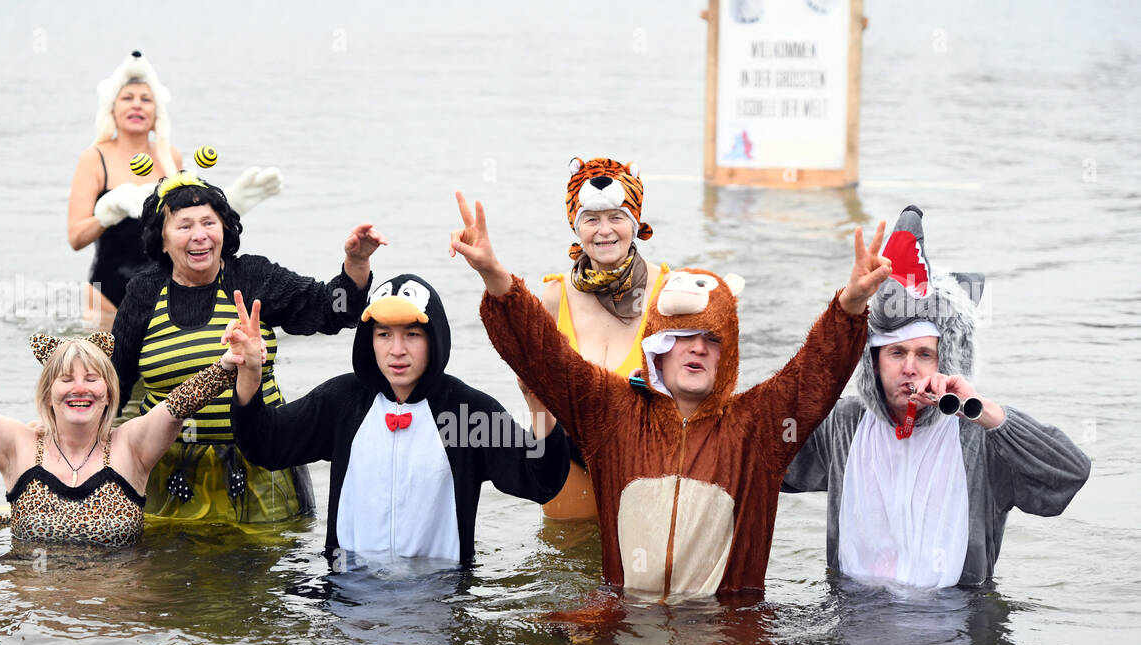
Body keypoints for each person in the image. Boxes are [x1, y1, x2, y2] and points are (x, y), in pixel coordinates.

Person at [450, 192, 892, 598]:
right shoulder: (612, 415)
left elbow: (815, 374)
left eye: (711, 339)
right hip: (627, 631)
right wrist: (493, 274)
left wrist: (851, 304)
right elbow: (543, 357)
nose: (697, 347)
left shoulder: (756, 429)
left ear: (728, 354)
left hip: (721, 634)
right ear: (657, 346)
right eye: (682, 337)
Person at [782, 205, 1091, 588]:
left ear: (947, 359)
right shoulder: (845, 425)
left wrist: (990, 415)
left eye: (925, 354)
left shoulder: (979, 433)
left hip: (956, 628)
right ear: (874, 362)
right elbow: (761, 454)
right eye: (896, 353)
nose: (910, 368)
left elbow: (1069, 476)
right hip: (859, 622)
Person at [228, 273, 570, 567]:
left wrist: (538, 402)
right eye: (384, 335)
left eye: (412, 334)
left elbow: (541, 482)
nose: (397, 350)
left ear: (435, 339)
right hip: (349, 591)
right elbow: (265, 445)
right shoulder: (342, 401)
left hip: (439, 594)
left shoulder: (466, 412)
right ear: (368, 342)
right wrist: (250, 374)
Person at [0, 291, 248, 547]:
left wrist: (230, 363)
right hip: (36, 630)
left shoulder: (131, 445)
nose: (79, 389)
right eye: (66, 379)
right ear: (48, 393)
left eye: (91, 379)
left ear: (110, 393)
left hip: (115, 630)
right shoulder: (18, 446)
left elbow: (180, 402)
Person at [111, 171, 385, 526]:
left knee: (262, 575)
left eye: (209, 222)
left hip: (260, 467)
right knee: (168, 575)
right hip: (165, 470)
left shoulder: (252, 276)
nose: (199, 235)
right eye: (184, 226)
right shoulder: (144, 291)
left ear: (224, 230)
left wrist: (357, 265)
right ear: (161, 239)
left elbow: (328, 310)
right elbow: (112, 381)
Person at [68, 51, 284, 330]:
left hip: (162, 290)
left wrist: (229, 204)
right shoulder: (93, 158)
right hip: (105, 293)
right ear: (111, 108)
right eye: (127, 98)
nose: (137, 105)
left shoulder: (170, 157)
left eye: (146, 99)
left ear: (158, 111)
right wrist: (108, 213)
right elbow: (75, 238)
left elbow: (188, 221)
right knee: (105, 372)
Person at [529, 157, 673, 520]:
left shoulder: (668, 293)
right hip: (569, 467)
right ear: (576, 228)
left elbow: (697, 390)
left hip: (645, 466)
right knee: (564, 566)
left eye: (617, 217)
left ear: (635, 223)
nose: (604, 230)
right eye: (591, 219)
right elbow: (536, 397)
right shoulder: (554, 296)